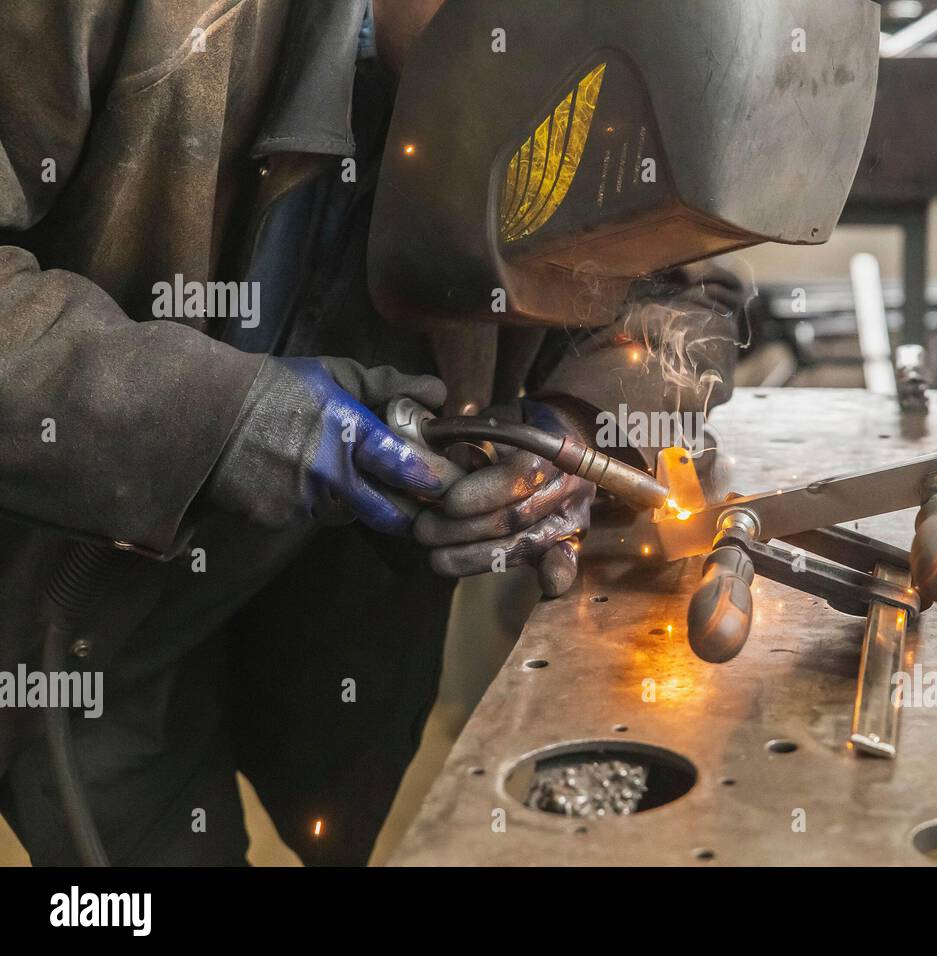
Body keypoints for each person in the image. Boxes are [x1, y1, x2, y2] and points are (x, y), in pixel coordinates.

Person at [0, 0, 741, 864]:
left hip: (301, 610)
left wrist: (583, 428)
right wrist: (224, 416)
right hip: (66, 580)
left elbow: (693, 298)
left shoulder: (593, 83)